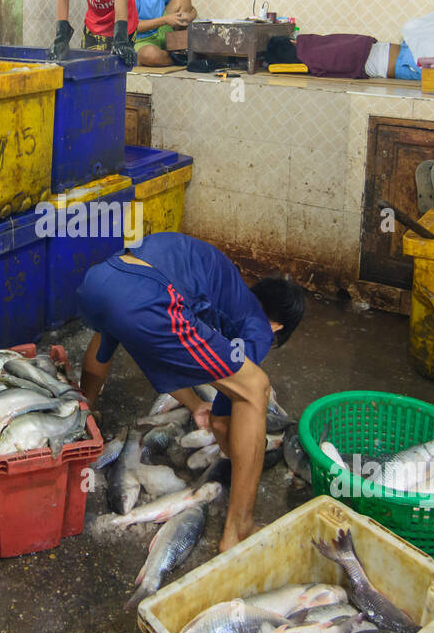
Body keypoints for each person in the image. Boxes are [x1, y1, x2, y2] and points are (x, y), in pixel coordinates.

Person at [76, 232, 305, 552]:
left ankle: (80, 416)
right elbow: (230, 407)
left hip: (103, 278)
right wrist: (230, 442)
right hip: (147, 294)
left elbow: (151, 341)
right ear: (278, 326)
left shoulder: (219, 286)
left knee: (111, 330)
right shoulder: (256, 324)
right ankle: (239, 530)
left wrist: (197, 404)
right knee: (255, 387)